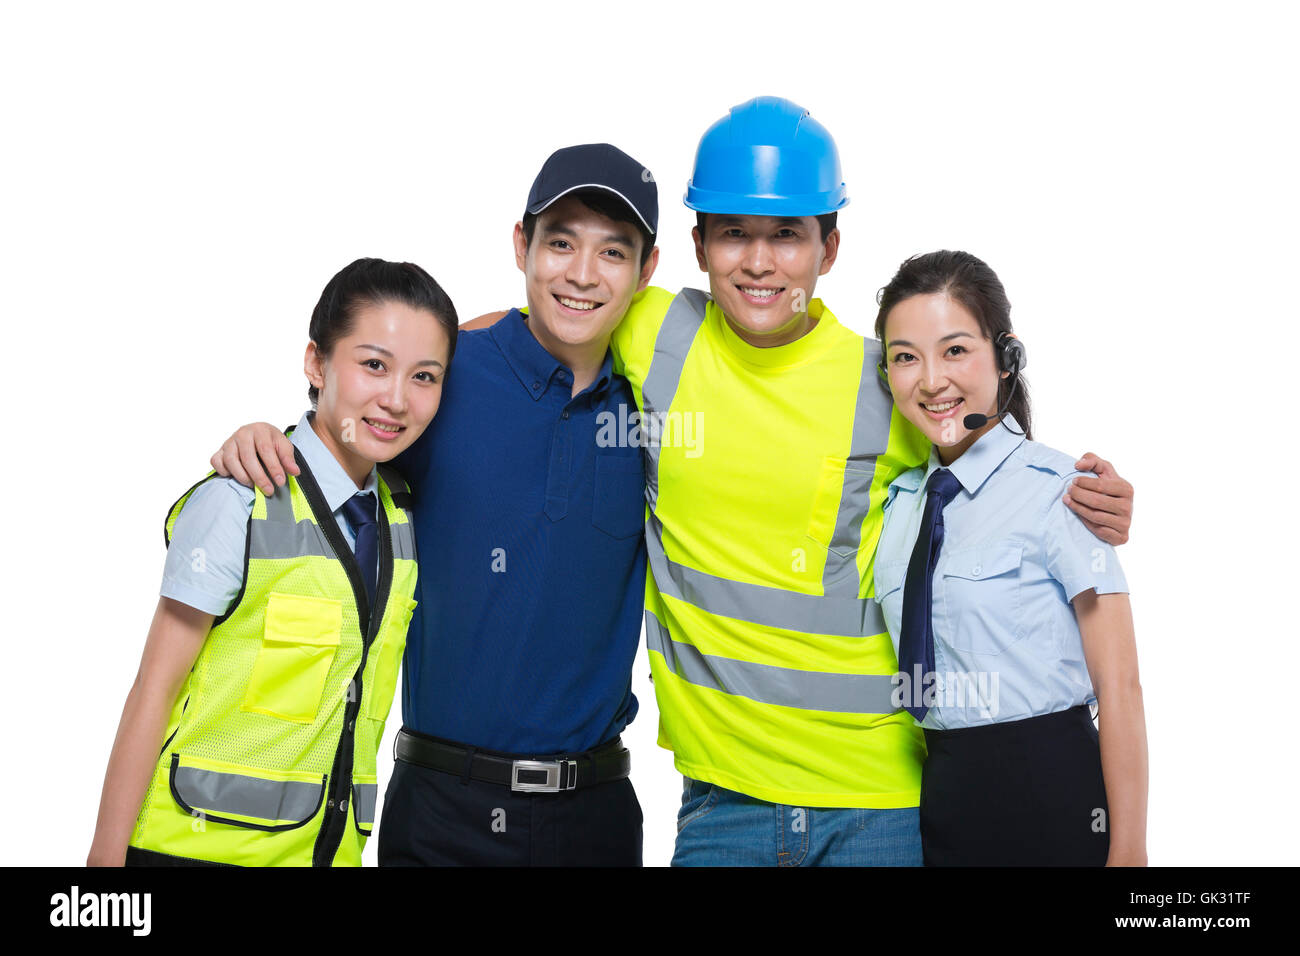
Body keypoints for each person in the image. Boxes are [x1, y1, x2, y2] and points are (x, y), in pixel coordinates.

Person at [465, 96, 1136, 866]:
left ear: (831, 247)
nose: (758, 261)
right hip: (722, 802)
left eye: (787, 236)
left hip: (878, 802)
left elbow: (987, 466)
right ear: (696, 244)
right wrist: (366, 396)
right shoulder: (655, 332)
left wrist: (1084, 496)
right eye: (734, 234)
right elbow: (534, 323)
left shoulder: (883, 378)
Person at [209, 145, 661, 865]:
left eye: (613, 252)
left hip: (597, 814)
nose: (582, 273)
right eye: (561, 242)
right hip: (442, 807)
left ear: (648, 271)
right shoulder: (449, 373)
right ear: (522, 244)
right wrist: (264, 434)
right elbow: (349, 428)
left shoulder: (656, 402)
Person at [87, 258, 457, 866]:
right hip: (190, 851)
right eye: (372, 365)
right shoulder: (237, 501)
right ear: (315, 362)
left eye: (424, 376)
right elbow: (152, 694)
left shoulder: (401, 520)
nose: (395, 399)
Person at [872, 249, 1148, 866]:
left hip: (1050, 794)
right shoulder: (897, 505)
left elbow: (1121, 687)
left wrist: (1129, 854)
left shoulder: (1064, 491)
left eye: (955, 350)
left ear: (1006, 358)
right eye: (905, 357)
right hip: (940, 799)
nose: (932, 380)